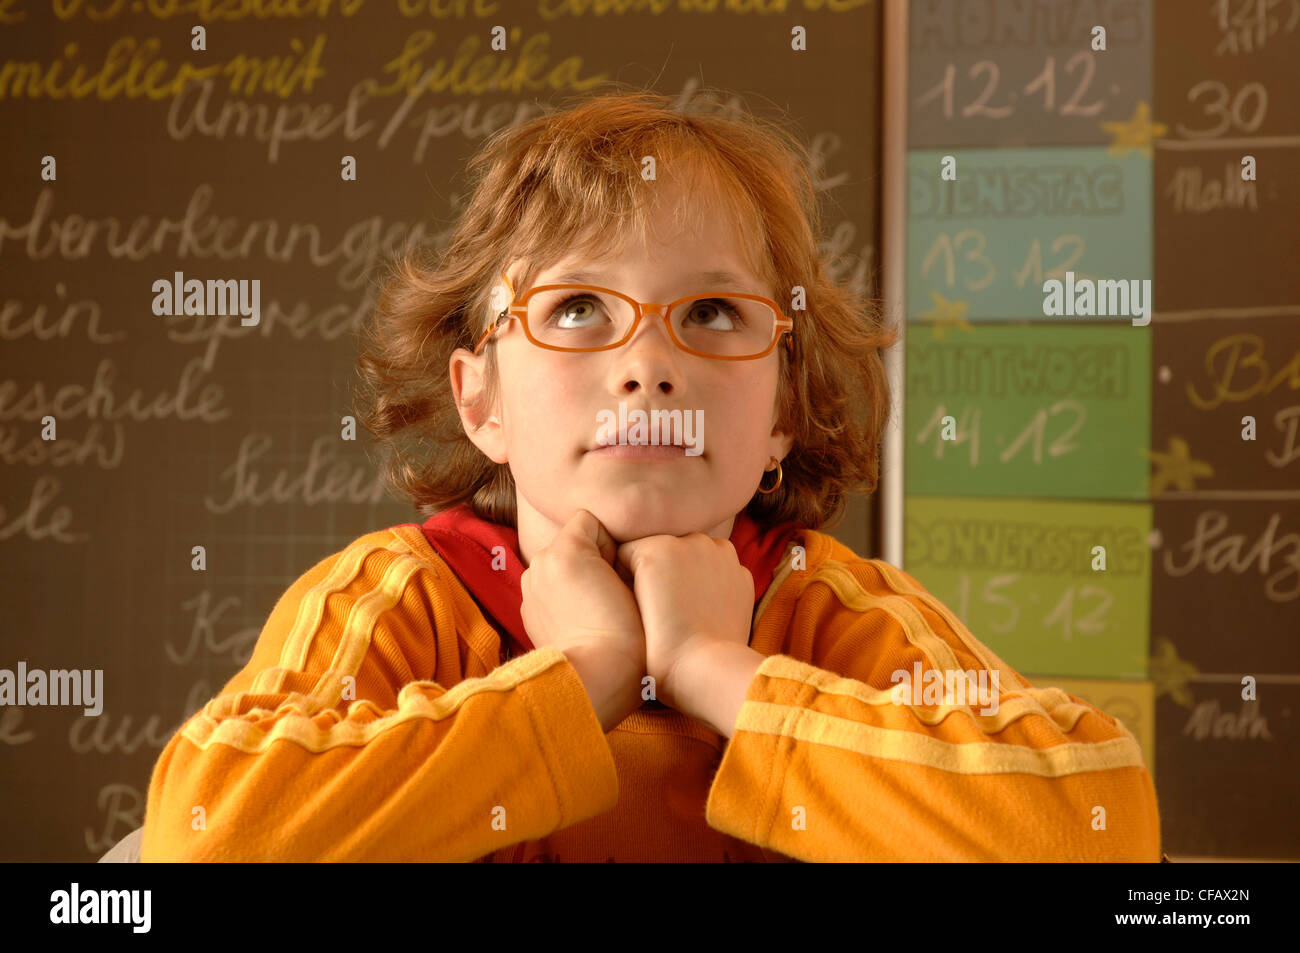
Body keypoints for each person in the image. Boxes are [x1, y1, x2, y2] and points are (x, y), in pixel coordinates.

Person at [139, 89, 1161, 862]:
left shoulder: (835, 609)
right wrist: (585, 666)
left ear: (782, 411)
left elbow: (1097, 822)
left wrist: (714, 665)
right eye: (577, 308)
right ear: (481, 397)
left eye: (712, 313)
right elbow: (206, 830)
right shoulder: (399, 597)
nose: (647, 362)